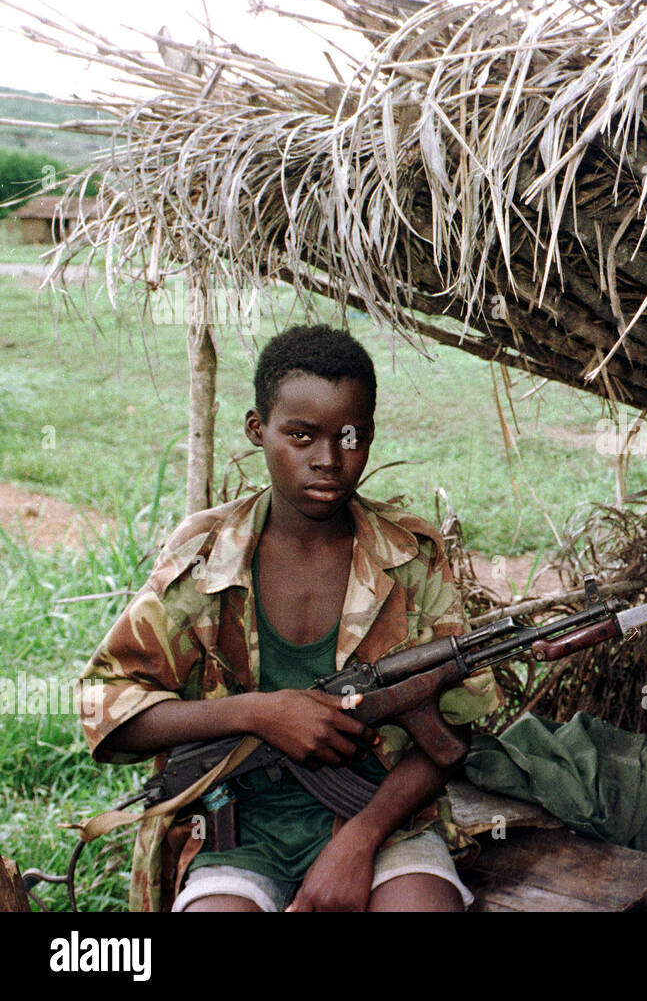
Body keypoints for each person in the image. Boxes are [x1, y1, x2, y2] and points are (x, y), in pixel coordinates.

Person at [79, 324, 501, 912]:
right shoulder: (205, 553)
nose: (327, 460)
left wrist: (359, 840)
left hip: (384, 821)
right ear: (258, 430)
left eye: (348, 437)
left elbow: (456, 725)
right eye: (300, 436)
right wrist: (260, 713)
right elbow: (107, 705)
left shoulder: (410, 554)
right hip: (231, 829)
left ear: (370, 436)